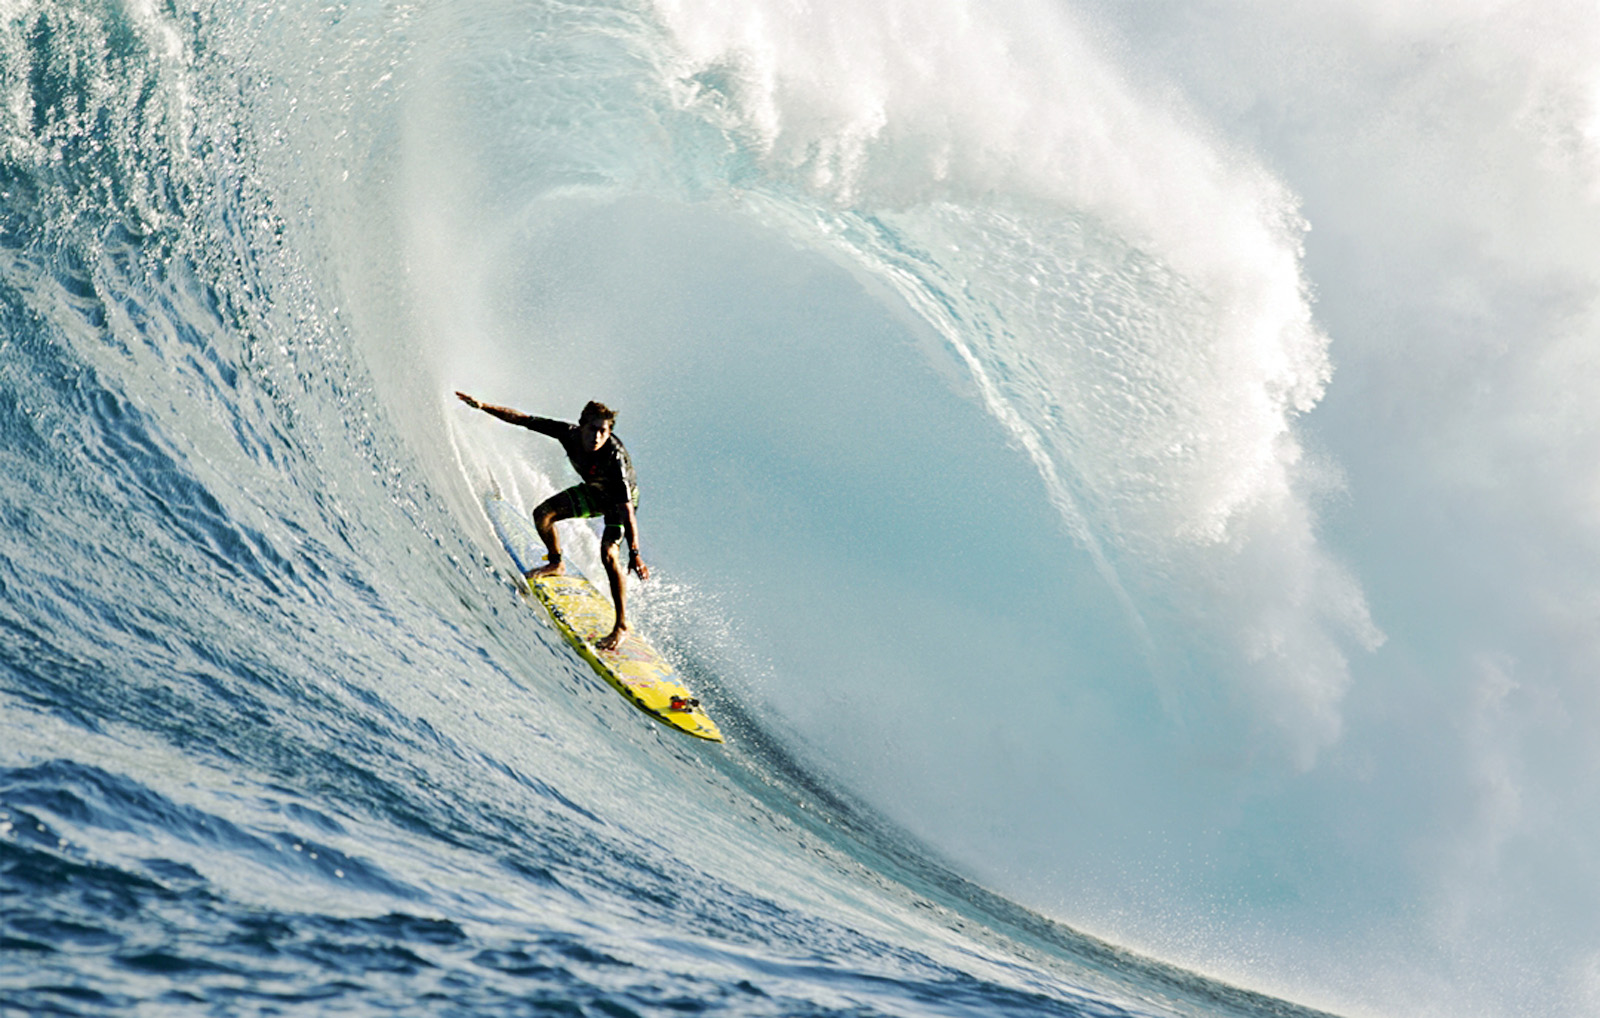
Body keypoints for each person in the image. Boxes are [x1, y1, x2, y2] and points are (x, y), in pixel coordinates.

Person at [456, 391, 649, 650]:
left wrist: (635, 552)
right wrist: (481, 406)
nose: (598, 436)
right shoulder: (567, 433)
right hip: (593, 492)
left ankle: (621, 626)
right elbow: (523, 419)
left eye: (603, 431)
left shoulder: (615, 459)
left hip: (617, 502)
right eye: (592, 429)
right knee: (542, 514)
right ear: (581, 426)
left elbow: (626, 509)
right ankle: (556, 563)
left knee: (608, 554)